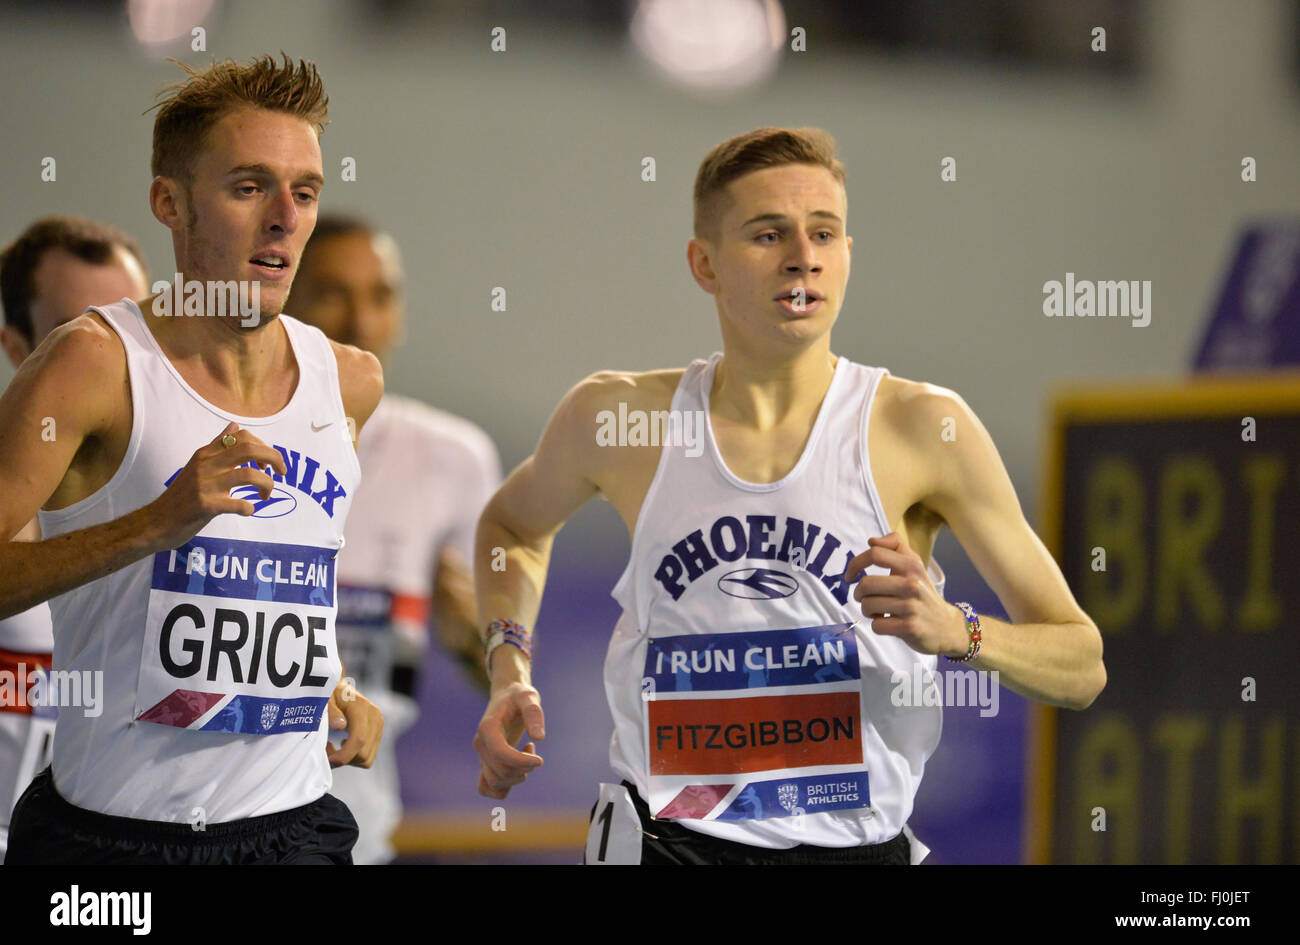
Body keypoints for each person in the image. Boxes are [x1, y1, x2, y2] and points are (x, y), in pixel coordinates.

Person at [472, 126, 1106, 865]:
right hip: (670, 843)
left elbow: (1082, 662)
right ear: (704, 264)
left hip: (855, 849)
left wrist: (957, 630)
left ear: (847, 255)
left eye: (824, 233)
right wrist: (507, 666)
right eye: (768, 233)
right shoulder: (617, 421)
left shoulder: (921, 428)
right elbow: (510, 525)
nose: (803, 256)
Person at [0, 53, 384, 865]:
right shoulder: (93, 365)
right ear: (169, 203)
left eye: (304, 192)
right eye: (249, 187)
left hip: (295, 827)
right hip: (112, 842)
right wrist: (153, 524)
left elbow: (282, 575)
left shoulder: (348, 382)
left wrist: (336, 683)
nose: (284, 217)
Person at [286, 215, 501, 864]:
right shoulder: (225, 438)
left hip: (357, 823)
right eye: (332, 292)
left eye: (381, 296)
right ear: (284, 301)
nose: (361, 320)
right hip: (215, 809)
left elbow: (502, 668)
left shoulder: (454, 457)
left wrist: (476, 638)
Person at [0, 216, 151, 862]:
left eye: (130, 328)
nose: (103, 357)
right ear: (15, 347)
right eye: (74, 333)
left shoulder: (190, 498)